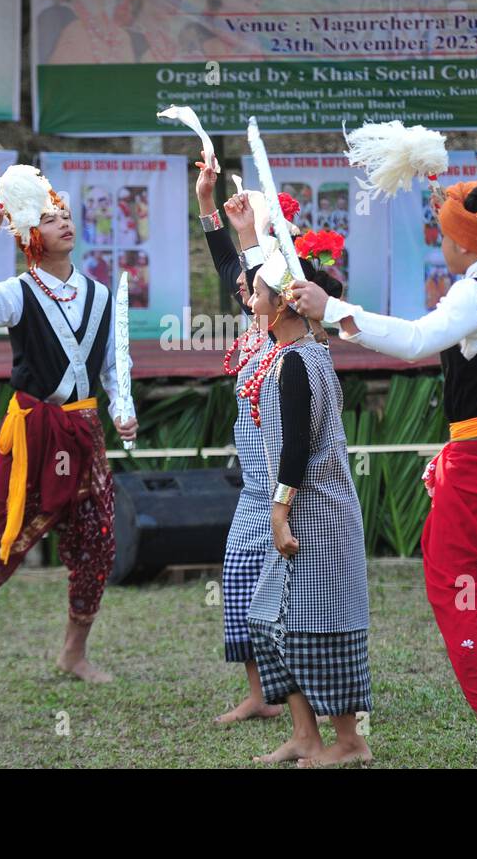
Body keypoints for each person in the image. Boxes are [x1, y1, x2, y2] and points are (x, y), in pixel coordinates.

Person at [290, 179, 477, 770]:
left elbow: (416, 341)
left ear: (463, 245)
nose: (441, 246)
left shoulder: (471, 293)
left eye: (444, 235)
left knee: (456, 585)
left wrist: (332, 310)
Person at [0, 165, 138, 684]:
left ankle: (73, 653)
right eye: (51, 219)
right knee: (2, 540)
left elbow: (113, 367)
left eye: (67, 216)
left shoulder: (99, 295)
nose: (65, 224)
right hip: (35, 432)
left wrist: (124, 409)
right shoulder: (17, 292)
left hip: (84, 430)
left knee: (98, 539)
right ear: (32, 235)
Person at [243, 237, 370, 767]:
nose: (250, 304)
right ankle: (304, 735)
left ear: (281, 307)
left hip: (314, 511)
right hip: (308, 507)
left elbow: (296, 445)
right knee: (271, 618)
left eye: (256, 295)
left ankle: (350, 742)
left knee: (317, 623)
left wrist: (277, 509)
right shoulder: (297, 354)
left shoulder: (297, 362)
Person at [195, 161, 301, 725]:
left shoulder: (289, 327)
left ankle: (308, 695)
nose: (242, 286)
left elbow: (257, 270)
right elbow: (229, 268)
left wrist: (245, 232)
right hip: (254, 487)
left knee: (288, 591)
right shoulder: (257, 320)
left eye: (252, 279)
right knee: (237, 578)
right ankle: (261, 695)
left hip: (290, 485)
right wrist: (211, 207)